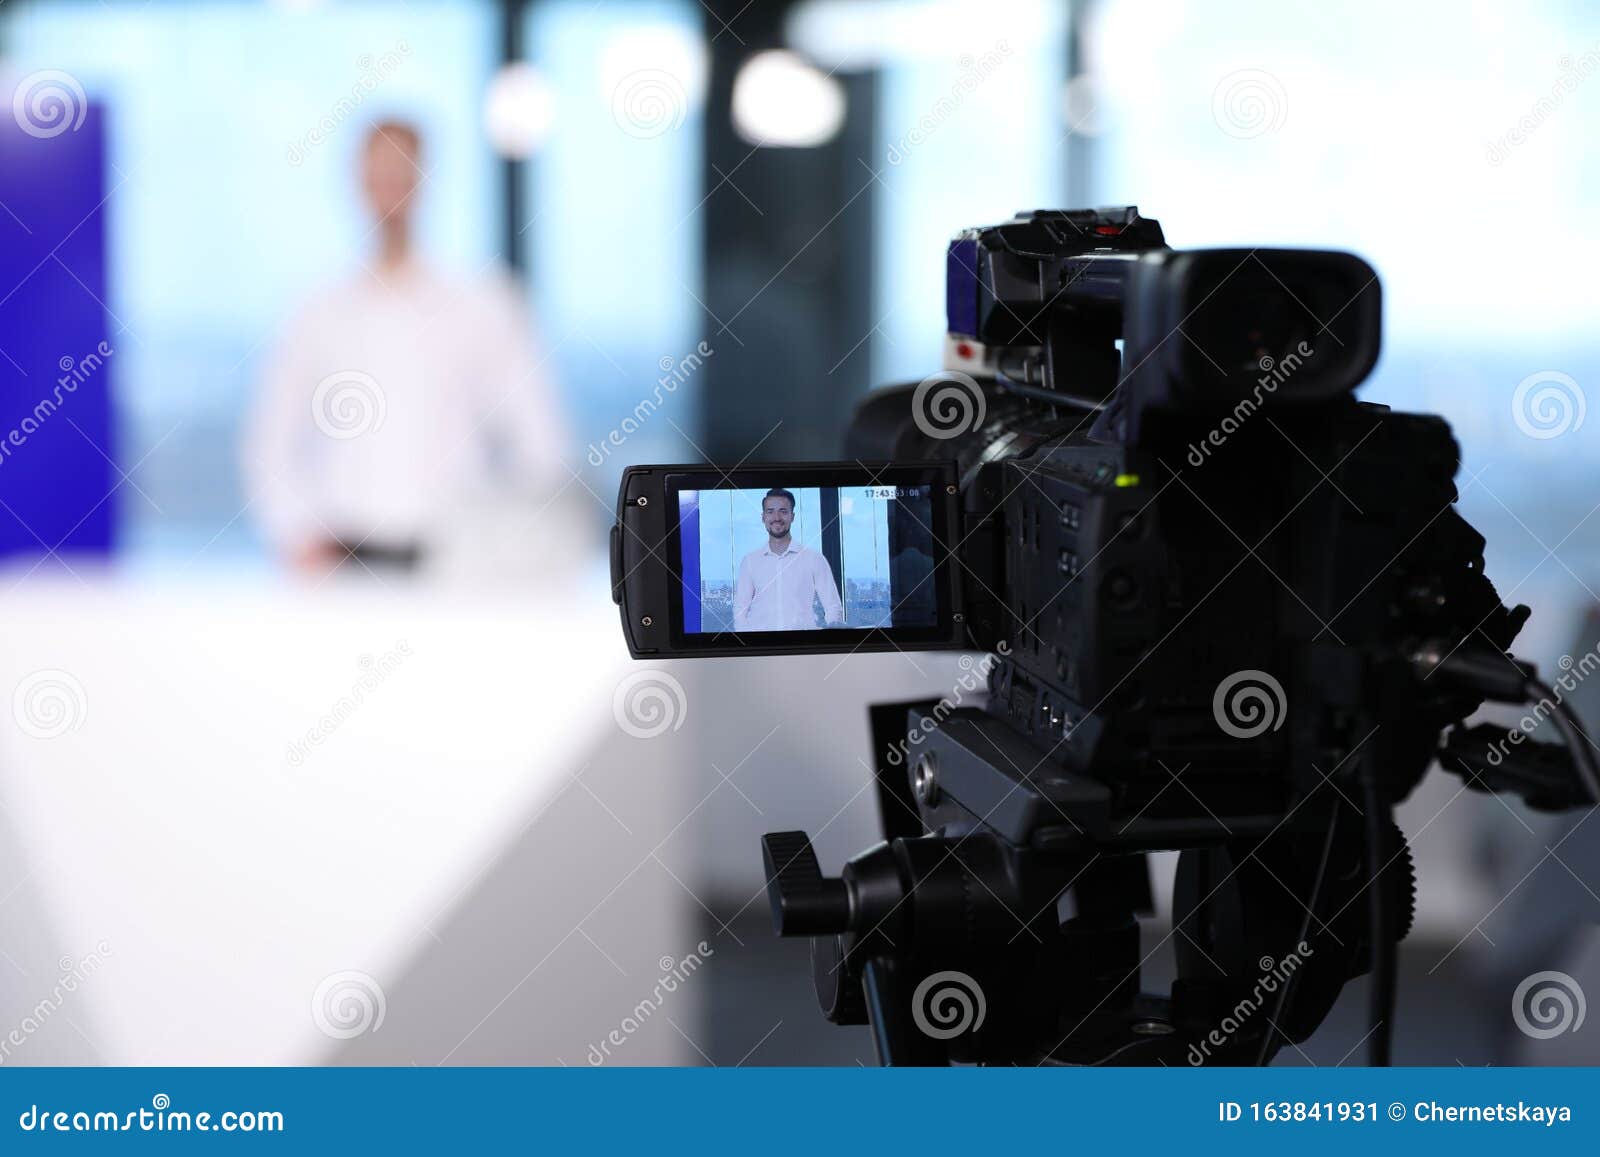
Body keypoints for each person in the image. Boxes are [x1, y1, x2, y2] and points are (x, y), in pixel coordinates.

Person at [242, 119, 568, 573]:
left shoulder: (484, 305)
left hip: (455, 566)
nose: (390, 187)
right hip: (340, 566)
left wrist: (516, 548)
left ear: (424, 178)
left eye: (401, 170)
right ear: (357, 181)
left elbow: (541, 444)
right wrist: (297, 535)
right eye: (378, 172)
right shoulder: (315, 313)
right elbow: (270, 442)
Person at [732, 488, 843, 630]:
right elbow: (740, 608)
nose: (777, 518)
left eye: (783, 511)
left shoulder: (814, 559)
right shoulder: (750, 561)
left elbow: (833, 607)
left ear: (792, 516)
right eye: (770, 511)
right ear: (763, 517)